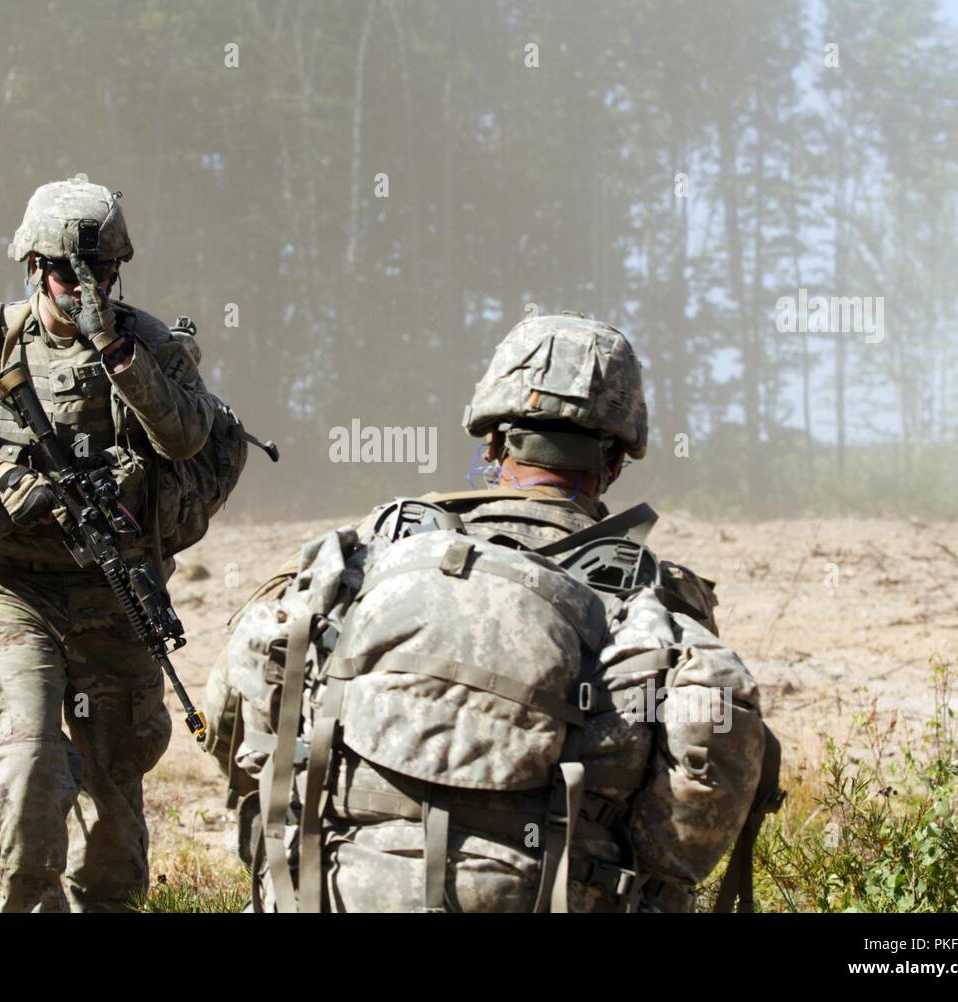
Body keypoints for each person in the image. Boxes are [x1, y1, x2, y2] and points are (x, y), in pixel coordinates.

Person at [202, 311, 779, 912]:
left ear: (493, 444)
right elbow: (686, 844)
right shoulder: (649, 612)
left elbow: (228, 723)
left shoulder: (358, 567)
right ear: (612, 465)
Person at [0, 175, 246, 912]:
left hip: (118, 598)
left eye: (103, 275)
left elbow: (187, 437)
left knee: (113, 812)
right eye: (66, 275)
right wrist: (3, 488)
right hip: (17, 591)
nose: (82, 291)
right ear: (33, 268)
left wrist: (118, 352)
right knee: (28, 777)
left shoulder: (150, 347)